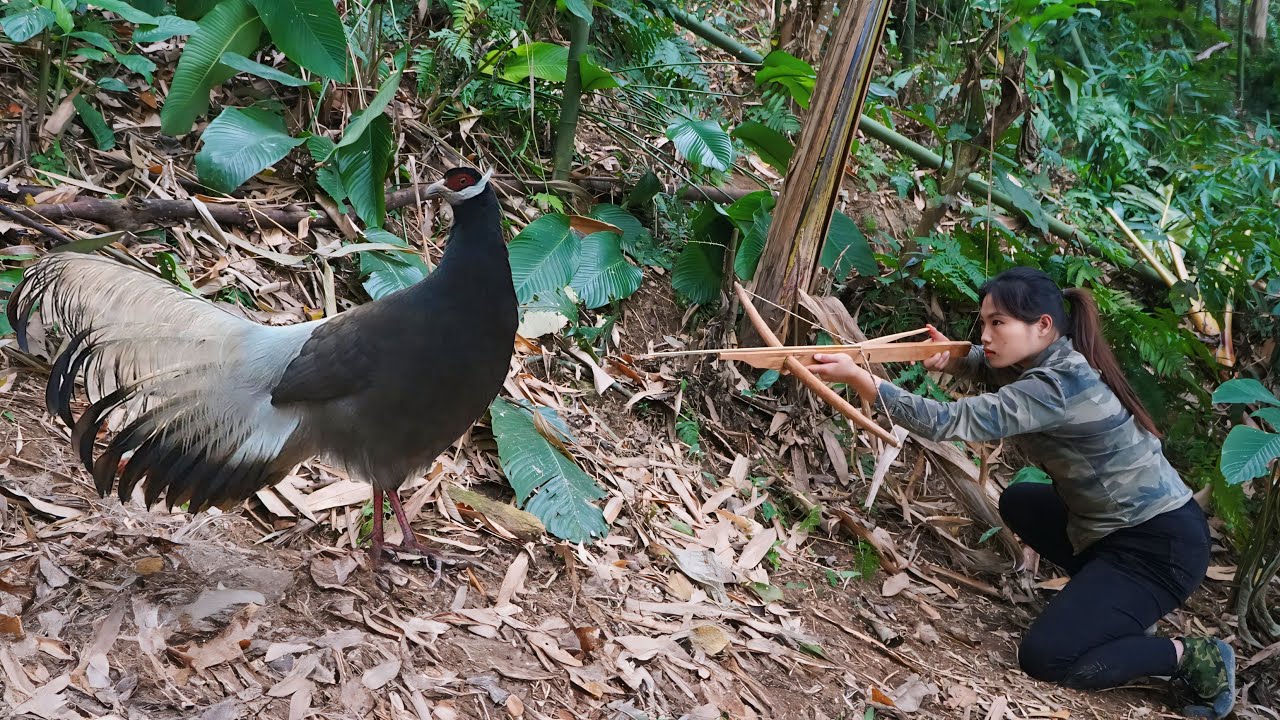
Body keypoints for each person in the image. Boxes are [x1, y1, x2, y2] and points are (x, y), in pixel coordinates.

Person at [805, 267, 1235, 719]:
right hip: (1114, 531)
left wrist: (863, 381)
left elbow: (946, 422)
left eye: (998, 323)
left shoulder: (1056, 386)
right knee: (1020, 502)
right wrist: (957, 360)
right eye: (983, 323)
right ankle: (1111, 608)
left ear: (1043, 326)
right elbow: (997, 369)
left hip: (1159, 548)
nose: (985, 335)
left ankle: (1192, 655)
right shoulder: (1055, 362)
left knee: (1048, 659)